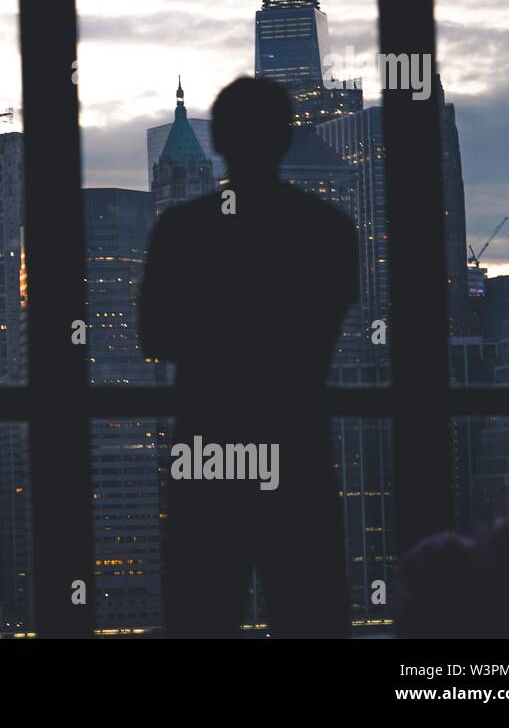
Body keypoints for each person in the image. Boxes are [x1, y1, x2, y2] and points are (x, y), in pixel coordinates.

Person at [139, 76, 358, 637]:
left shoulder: (182, 230)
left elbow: (156, 337)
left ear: (222, 143)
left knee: (202, 608)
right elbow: (326, 324)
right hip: (296, 443)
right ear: (286, 138)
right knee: (310, 607)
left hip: (208, 445)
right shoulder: (328, 229)